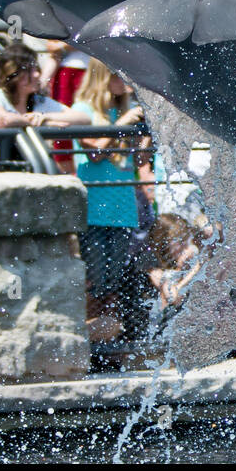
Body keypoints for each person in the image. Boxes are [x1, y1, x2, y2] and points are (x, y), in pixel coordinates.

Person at [70, 58, 151, 343]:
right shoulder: (82, 111)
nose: (124, 80)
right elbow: (95, 154)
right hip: (93, 209)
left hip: (123, 209)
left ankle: (108, 343)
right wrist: (123, 124)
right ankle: (90, 343)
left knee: (113, 285)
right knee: (93, 282)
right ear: (102, 76)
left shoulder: (124, 109)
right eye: (118, 74)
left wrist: (144, 135)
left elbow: (138, 160)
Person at [0, 41, 90, 173]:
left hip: (25, 179)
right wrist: (37, 122)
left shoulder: (38, 101)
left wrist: (44, 117)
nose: (37, 74)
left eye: (36, 69)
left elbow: (84, 119)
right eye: (30, 70)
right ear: (14, 74)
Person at [145, 213, 204, 313]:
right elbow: (175, 297)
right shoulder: (156, 272)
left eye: (185, 238)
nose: (184, 244)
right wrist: (196, 269)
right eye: (178, 239)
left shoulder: (185, 265)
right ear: (164, 243)